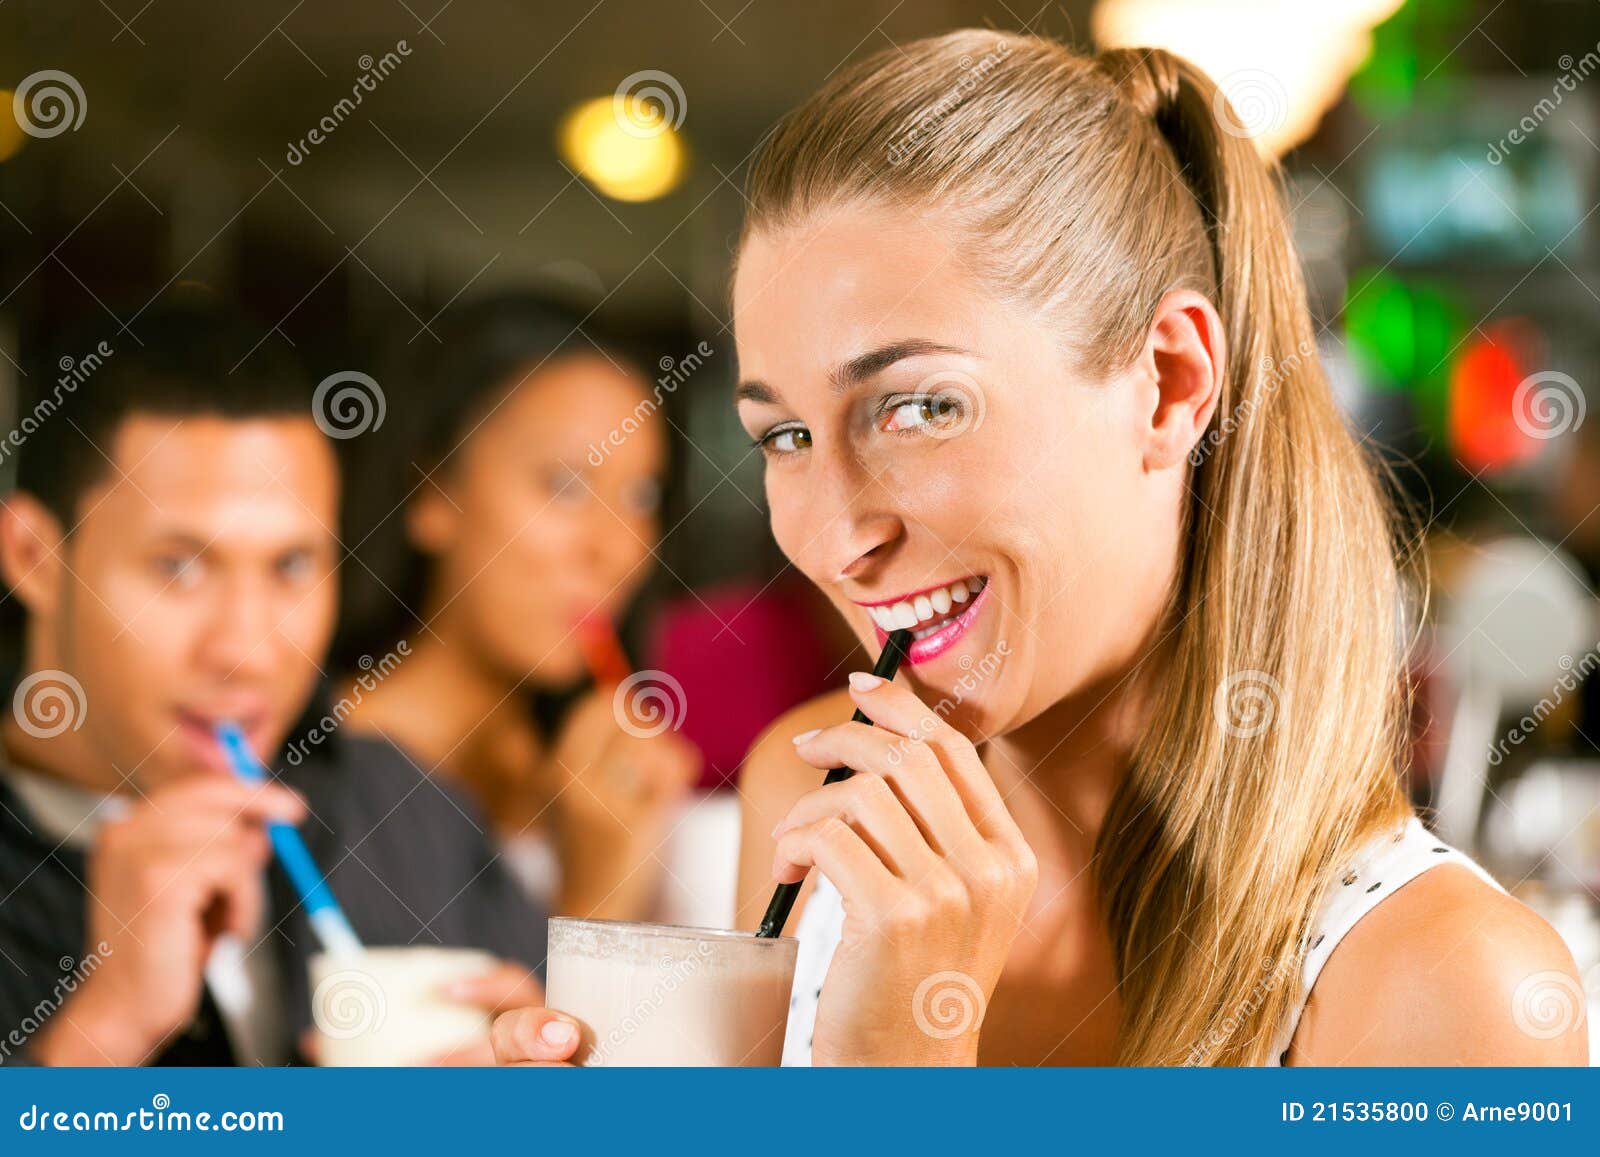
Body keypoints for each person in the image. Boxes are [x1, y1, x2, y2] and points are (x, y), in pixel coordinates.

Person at [493, 31, 1587, 1066]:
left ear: (1168, 382)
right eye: (784, 434)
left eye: (917, 406)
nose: (832, 536)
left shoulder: (1453, 993)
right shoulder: (812, 794)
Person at [0, 295, 545, 1066]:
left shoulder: (406, 813)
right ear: (33, 556)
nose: (246, 651)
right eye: (179, 568)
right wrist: (104, 1028)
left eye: (291, 566)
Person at [334, 291, 697, 922]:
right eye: (565, 486)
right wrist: (598, 897)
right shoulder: (313, 785)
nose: (612, 548)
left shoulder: (602, 784)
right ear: (431, 493)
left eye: (640, 496)